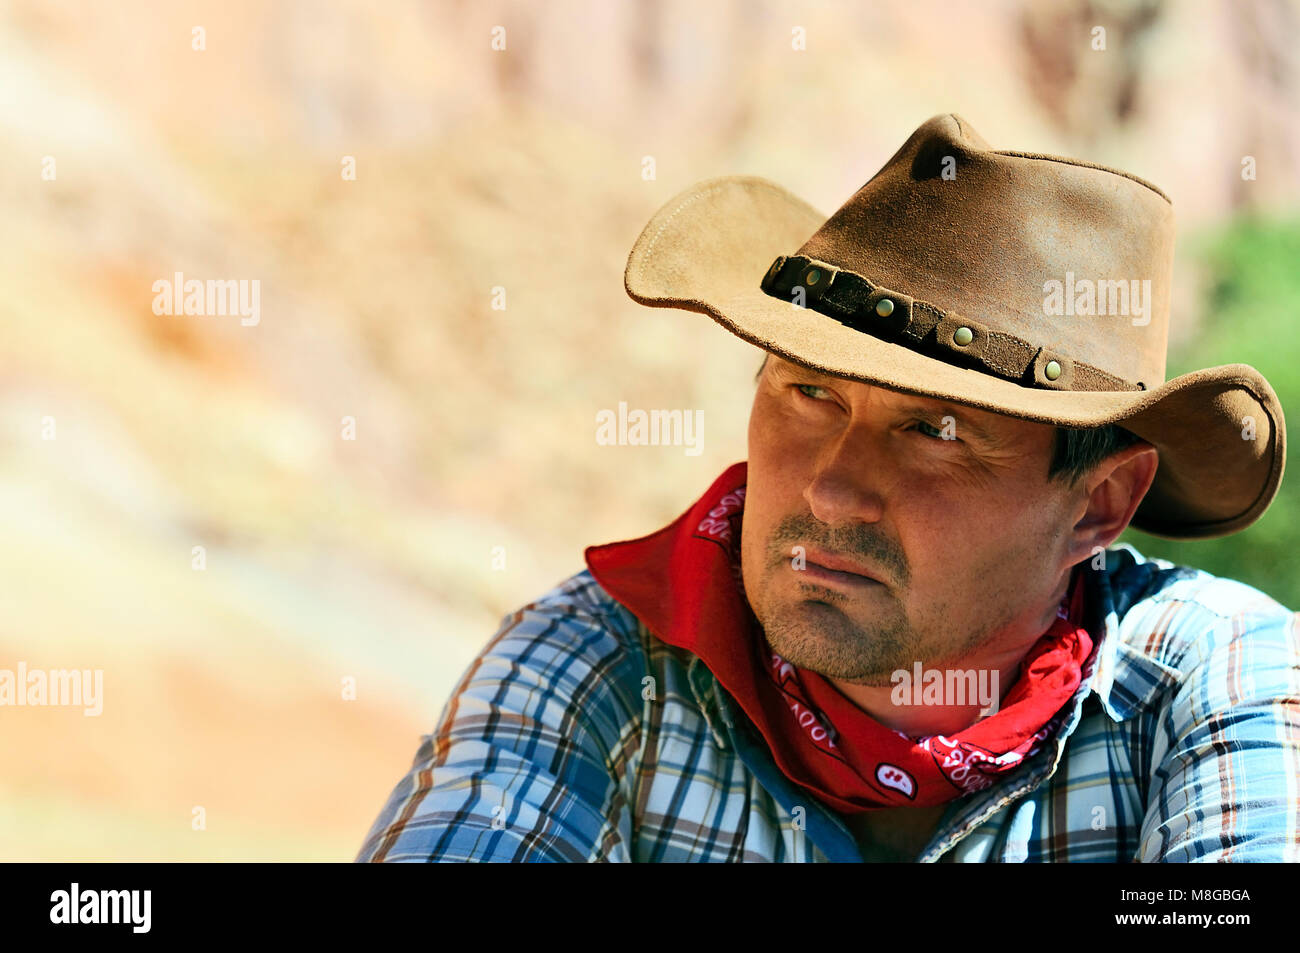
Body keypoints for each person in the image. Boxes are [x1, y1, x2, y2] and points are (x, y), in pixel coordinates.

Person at [356, 114, 1298, 862]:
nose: (836, 489)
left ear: (1099, 504)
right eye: (808, 391)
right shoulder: (598, 664)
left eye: (936, 430)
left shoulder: (1211, 681)